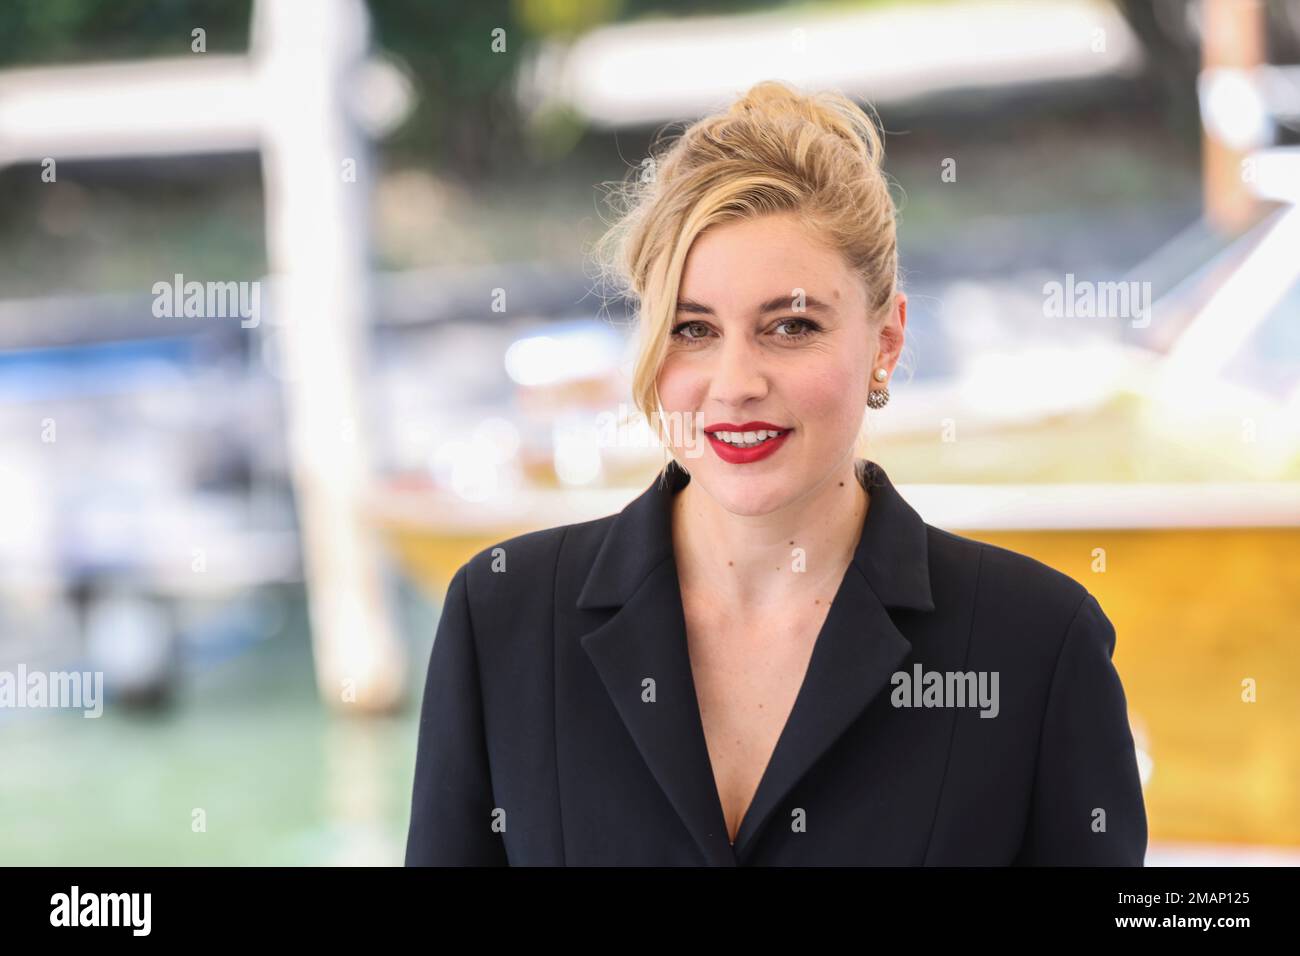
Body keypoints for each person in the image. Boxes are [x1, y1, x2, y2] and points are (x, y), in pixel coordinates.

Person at [405, 80, 1147, 866]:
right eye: (693, 329)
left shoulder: (1037, 643)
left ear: (886, 341)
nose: (735, 382)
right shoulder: (502, 616)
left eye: (791, 326)